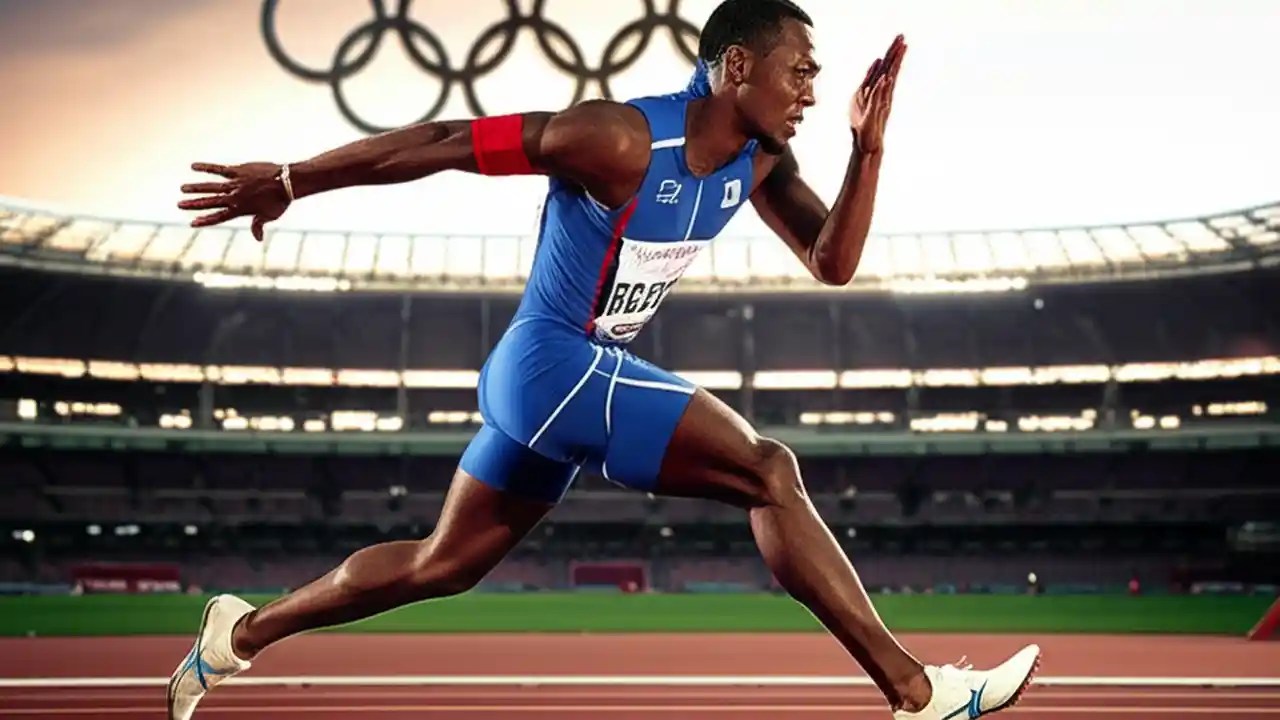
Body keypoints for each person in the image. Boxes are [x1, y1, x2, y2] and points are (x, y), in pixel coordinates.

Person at [167, 1, 1040, 718]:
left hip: (563, 384)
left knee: (444, 563)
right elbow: (444, 139)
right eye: (801, 70)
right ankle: (917, 691)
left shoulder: (760, 157)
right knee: (768, 469)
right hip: (549, 364)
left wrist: (869, 149)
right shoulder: (618, 140)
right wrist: (290, 180)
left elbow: (832, 262)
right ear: (736, 67)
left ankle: (237, 636)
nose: (813, 89)